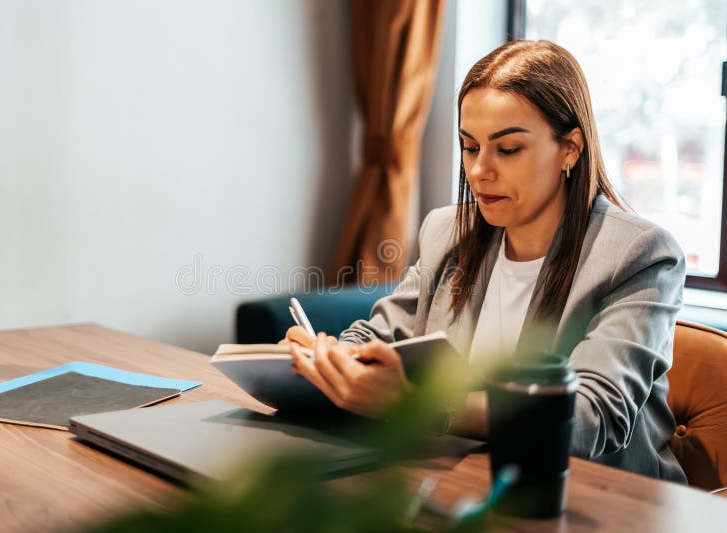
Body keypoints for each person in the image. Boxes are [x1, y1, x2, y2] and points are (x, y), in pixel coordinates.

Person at [283, 40, 686, 482]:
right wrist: (328, 357)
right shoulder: (447, 232)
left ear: (570, 149)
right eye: (469, 147)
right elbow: (380, 334)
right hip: (466, 480)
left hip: (601, 501)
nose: (478, 171)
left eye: (508, 149)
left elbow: (588, 418)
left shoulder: (640, 255)